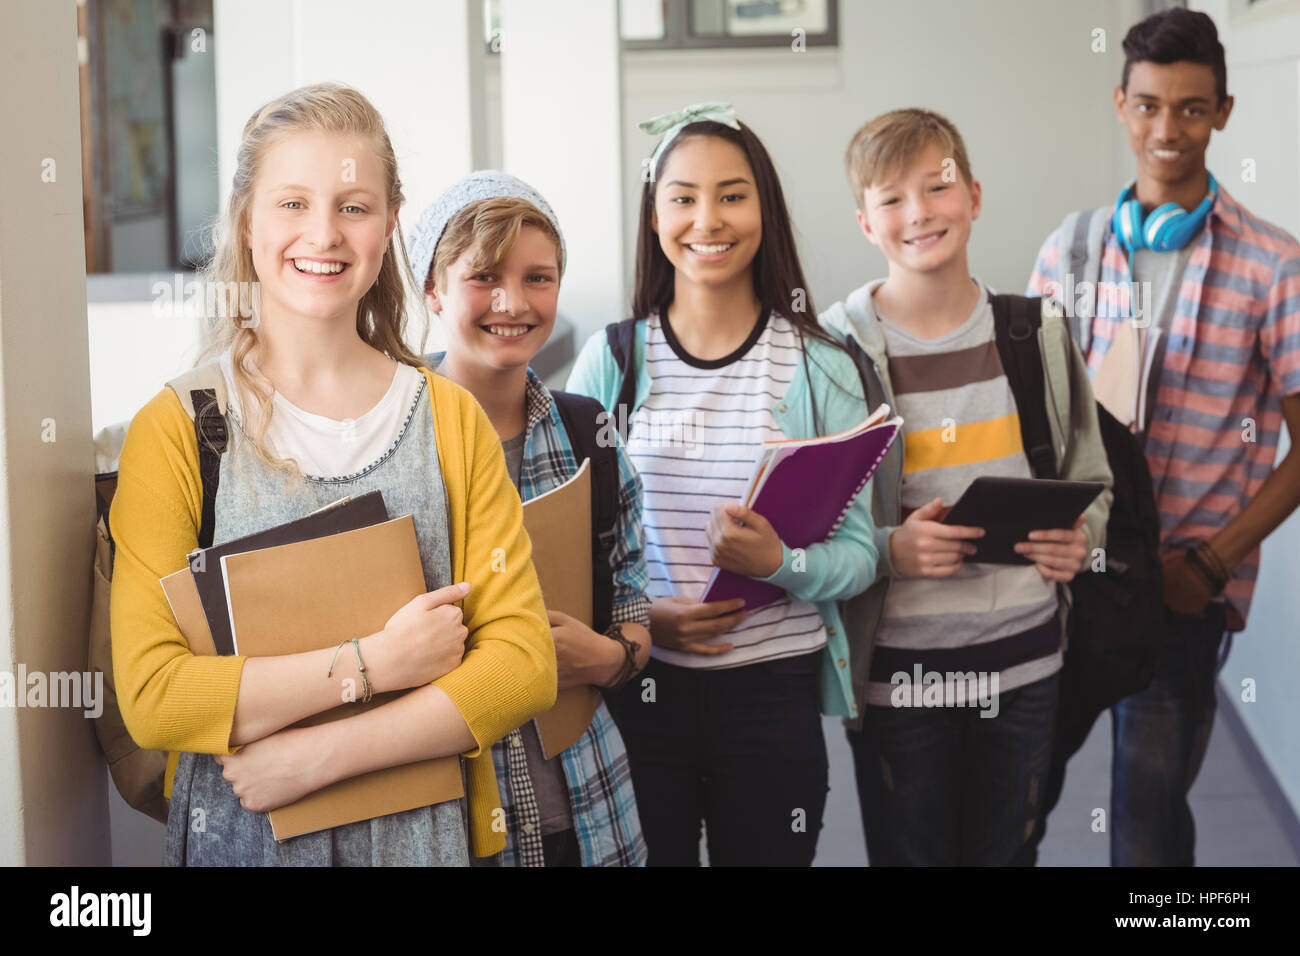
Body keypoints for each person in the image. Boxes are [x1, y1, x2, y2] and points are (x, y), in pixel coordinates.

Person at [109, 83, 555, 866]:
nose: (324, 233)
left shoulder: (449, 420)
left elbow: (519, 667)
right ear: (247, 222)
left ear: (388, 227)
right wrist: (373, 664)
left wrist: (320, 756)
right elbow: (154, 698)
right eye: (292, 203)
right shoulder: (178, 430)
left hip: (425, 847)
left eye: (354, 206)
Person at [566, 103, 877, 866]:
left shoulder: (821, 365)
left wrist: (781, 564)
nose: (708, 218)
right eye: (683, 197)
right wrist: (639, 619)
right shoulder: (612, 361)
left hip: (772, 697)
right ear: (654, 213)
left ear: (764, 209)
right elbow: (565, 543)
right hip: (641, 688)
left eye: (733, 195)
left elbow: (863, 554)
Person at [1027, 7, 1300, 866]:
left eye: (1190, 107)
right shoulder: (1067, 249)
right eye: (1148, 105)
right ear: (1120, 104)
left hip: (1183, 591)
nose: (1167, 129)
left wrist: (1213, 565)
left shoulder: (1274, 266)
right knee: (1013, 809)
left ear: (1223, 112)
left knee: (1145, 835)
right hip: (1067, 582)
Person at [820, 107, 1112, 865]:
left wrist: (1082, 539)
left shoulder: (1037, 332)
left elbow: (1091, 476)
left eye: (937, 187)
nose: (918, 212)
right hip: (898, 678)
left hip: (1026, 665)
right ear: (865, 223)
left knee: (1007, 856)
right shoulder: (833, 350)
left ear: (974, 197)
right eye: (891, 198)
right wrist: (890, 549)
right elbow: (810, 524)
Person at [407, 172, 653, 866]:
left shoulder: (589, 434)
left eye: (538, 278)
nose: (512, 303)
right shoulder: (388, 442)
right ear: (432, 290)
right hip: (450, 825)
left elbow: (631, 595)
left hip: (591, 809)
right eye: (483, 276)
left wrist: (608, 658)